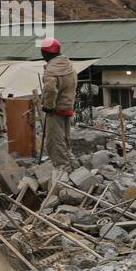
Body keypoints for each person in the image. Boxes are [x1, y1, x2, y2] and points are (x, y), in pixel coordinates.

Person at [39, 36, 77, 175]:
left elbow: (50, 89)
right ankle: (73, 166)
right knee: (65, 139)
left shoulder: (52, 70)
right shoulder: (68, 64)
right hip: (67, 107)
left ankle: (63, 171)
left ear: (45, 53)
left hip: (56, 109)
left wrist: (48, 105)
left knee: (54, 141)